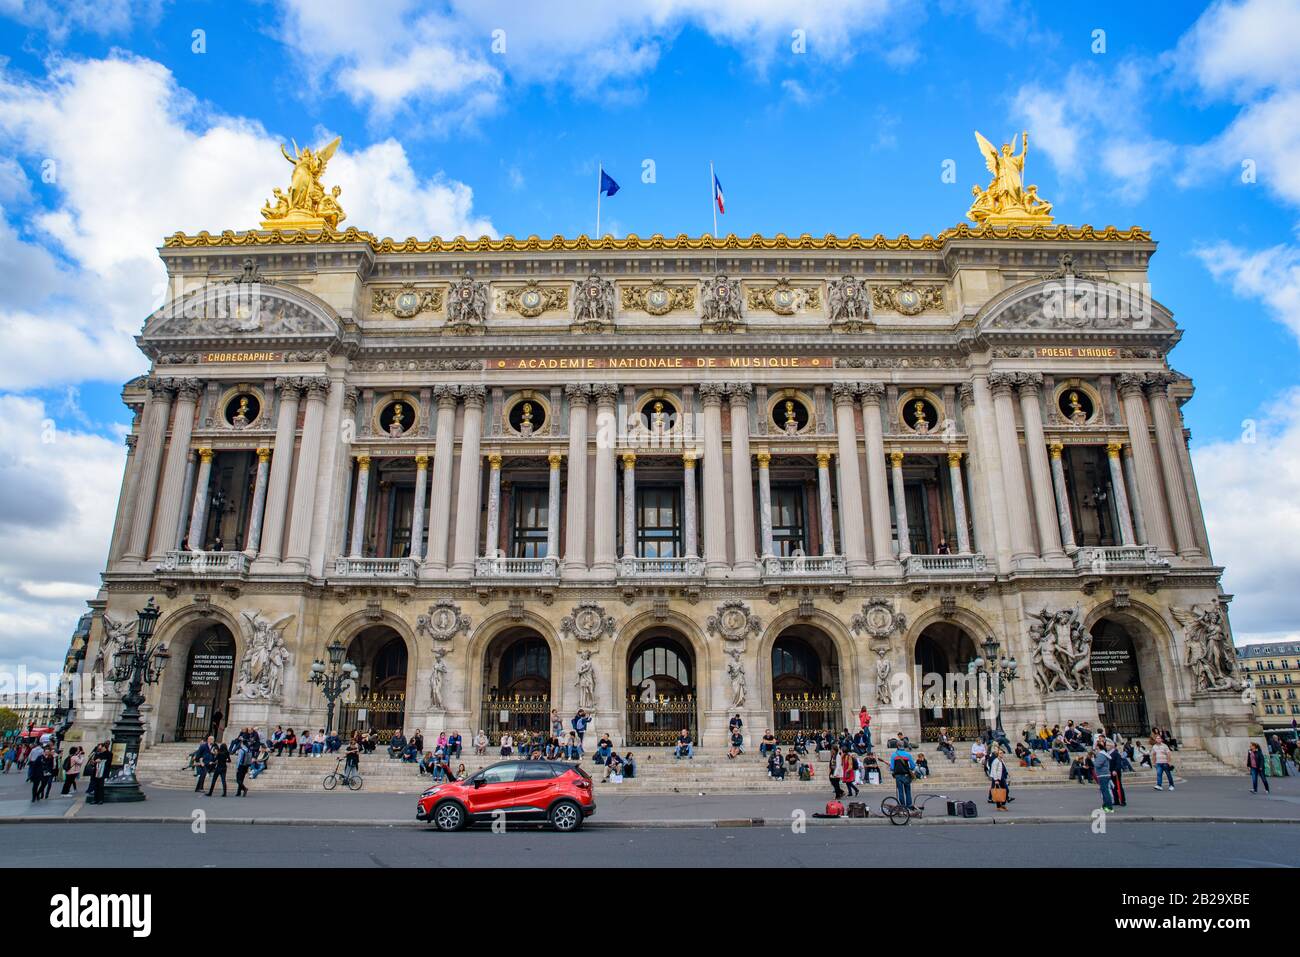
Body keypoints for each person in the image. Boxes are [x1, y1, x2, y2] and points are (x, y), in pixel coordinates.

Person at [890, 741, 917, 810]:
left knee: (900, 792)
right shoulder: (908, 755)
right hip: (906, 775)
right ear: (903, 746)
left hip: (898, 776)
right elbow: (913, 766)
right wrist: (908, 768)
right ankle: (909, 806)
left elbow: (892, 768)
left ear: (897, 746)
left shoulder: (894, 755)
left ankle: (902, 806)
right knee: (907, 791)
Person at [1093, 740, 1114, 812]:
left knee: (1105, 791)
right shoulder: (1103, 754)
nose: (1095, 750)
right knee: (1104, 791)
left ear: (1099, 748)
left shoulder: (1101, 755)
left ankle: (1109, 807)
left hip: (1103, 775)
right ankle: (1105, 805)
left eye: (1096, 749)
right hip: (1104, 774)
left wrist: (1094, 760)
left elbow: (1097, 765)